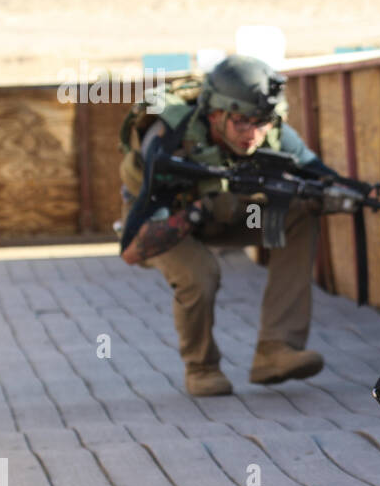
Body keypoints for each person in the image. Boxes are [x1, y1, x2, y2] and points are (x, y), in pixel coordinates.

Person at [118, 54, 343, 397]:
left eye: (262, 122)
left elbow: (323, 177)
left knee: (299, 211)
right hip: (163, 221)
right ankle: (201, 367)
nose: (253, 134)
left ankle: (275, 350)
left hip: (222, 212)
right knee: (200, 274)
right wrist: (196, 211)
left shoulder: (271, 130)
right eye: (241, 122)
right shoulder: (169, 139)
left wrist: (365, 195)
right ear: (215, 114)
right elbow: (132, 251)